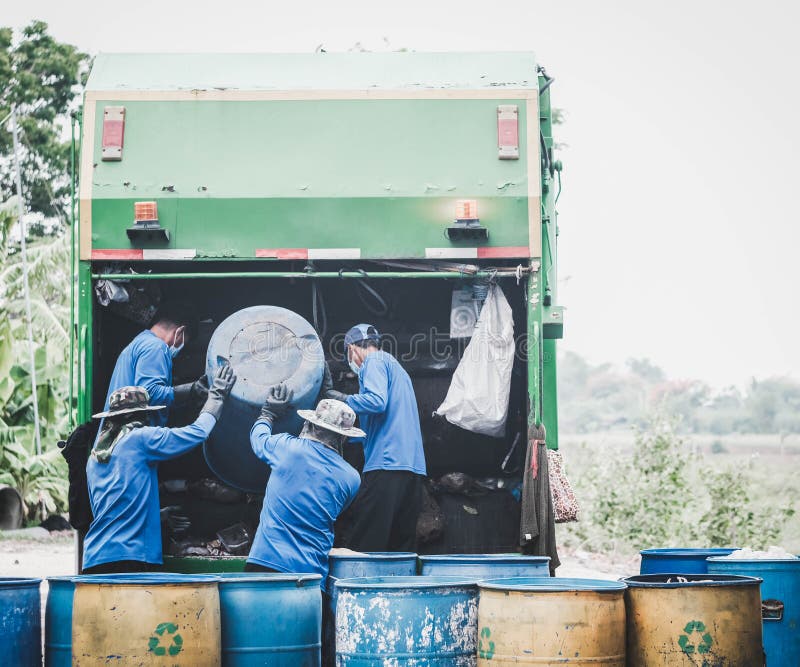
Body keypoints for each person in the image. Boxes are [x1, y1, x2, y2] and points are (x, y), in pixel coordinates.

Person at [81, 364, 236, 574]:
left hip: (95, 558)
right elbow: (198, 432)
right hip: (130, 558)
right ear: (140, 416)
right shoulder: (140, 439)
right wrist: (217, 396)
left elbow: (111, 506)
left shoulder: (96, 456)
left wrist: (156, 515)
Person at [322, 323, 426, 552]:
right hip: (412, 468)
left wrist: (341, 398)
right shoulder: (397, 368)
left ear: (352, 349)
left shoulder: (373, 362)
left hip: (386, 464)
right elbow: (390, 418)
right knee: (400, 547)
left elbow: (377, 402)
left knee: (365, 543)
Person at [245, 386, 362, 581]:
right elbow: (336, 511)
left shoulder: (287, 448)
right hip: (312, 578)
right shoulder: (352, 478)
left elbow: (258, 440)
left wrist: (267, 414)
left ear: (311, 424)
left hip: (265, 566)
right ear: (344, 437)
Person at [102, 303, 207, 427]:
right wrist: (193, 390)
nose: (180, 351)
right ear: (180, 332)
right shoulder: (156, 347)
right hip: (131, 440)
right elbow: (148, 393)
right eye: (184, 342)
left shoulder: (140, 342)